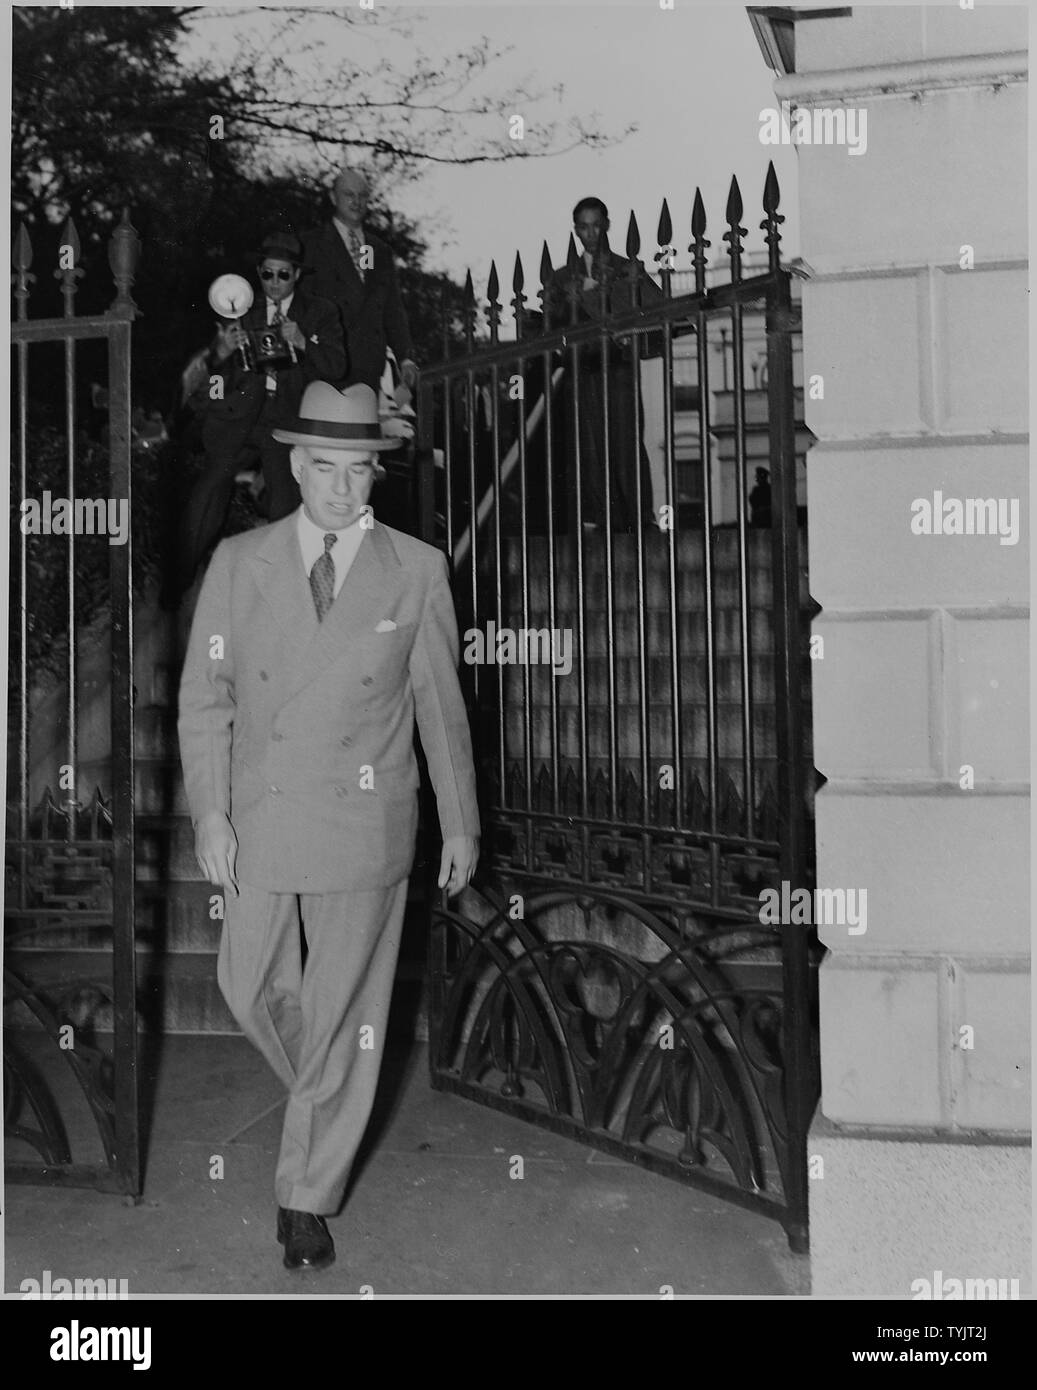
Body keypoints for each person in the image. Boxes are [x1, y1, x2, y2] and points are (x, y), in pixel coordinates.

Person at [176, 381, 480, 1272]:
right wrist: (210, 812)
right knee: (249, 982)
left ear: (373, 474)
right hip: (264, 817)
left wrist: (459, 824)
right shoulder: (240, 562)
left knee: (349, 1011)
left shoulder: (415, 569)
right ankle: (331, 1094)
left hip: (364, 820)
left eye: (360, 472)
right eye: (325, 470)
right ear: (296, 467)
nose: (343, 491)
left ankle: (304, 1197)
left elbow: (440, 710)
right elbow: (206, 699)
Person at [167, 233, 347, 602]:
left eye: (284, 275)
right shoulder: (239, 309)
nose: (275, 283)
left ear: (297, 275)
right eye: (268, 275)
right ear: (258, 273)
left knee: (284, 504)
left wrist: (303, 342)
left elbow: (338, 367)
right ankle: (176, 587)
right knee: (209, 487)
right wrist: (220, 353)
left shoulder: (320, 313)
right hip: (240, 418)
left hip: (288, 422)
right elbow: (212, 383)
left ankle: (282, 598)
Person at [545, 197, 664, 533]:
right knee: (587, 447)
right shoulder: (560, 278)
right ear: (576, 230)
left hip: (620, 369)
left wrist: (630, 335)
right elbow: (551, 333)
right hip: (581, 371)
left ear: (607, 225)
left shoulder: (628, 268)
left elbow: (656, 315)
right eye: (583, 227)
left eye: (596, 225)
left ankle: (640, 519)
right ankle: (597, 519)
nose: (591, 233)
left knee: (627, 442)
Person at [302, 168, 418, 395]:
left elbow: (392, 310)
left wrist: (405, 358)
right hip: (326, 367)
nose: (357, 201)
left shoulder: (378, 250)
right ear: (333, 198)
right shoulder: (311, 244)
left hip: (368, 370)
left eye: (362, 195)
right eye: (349, 194)